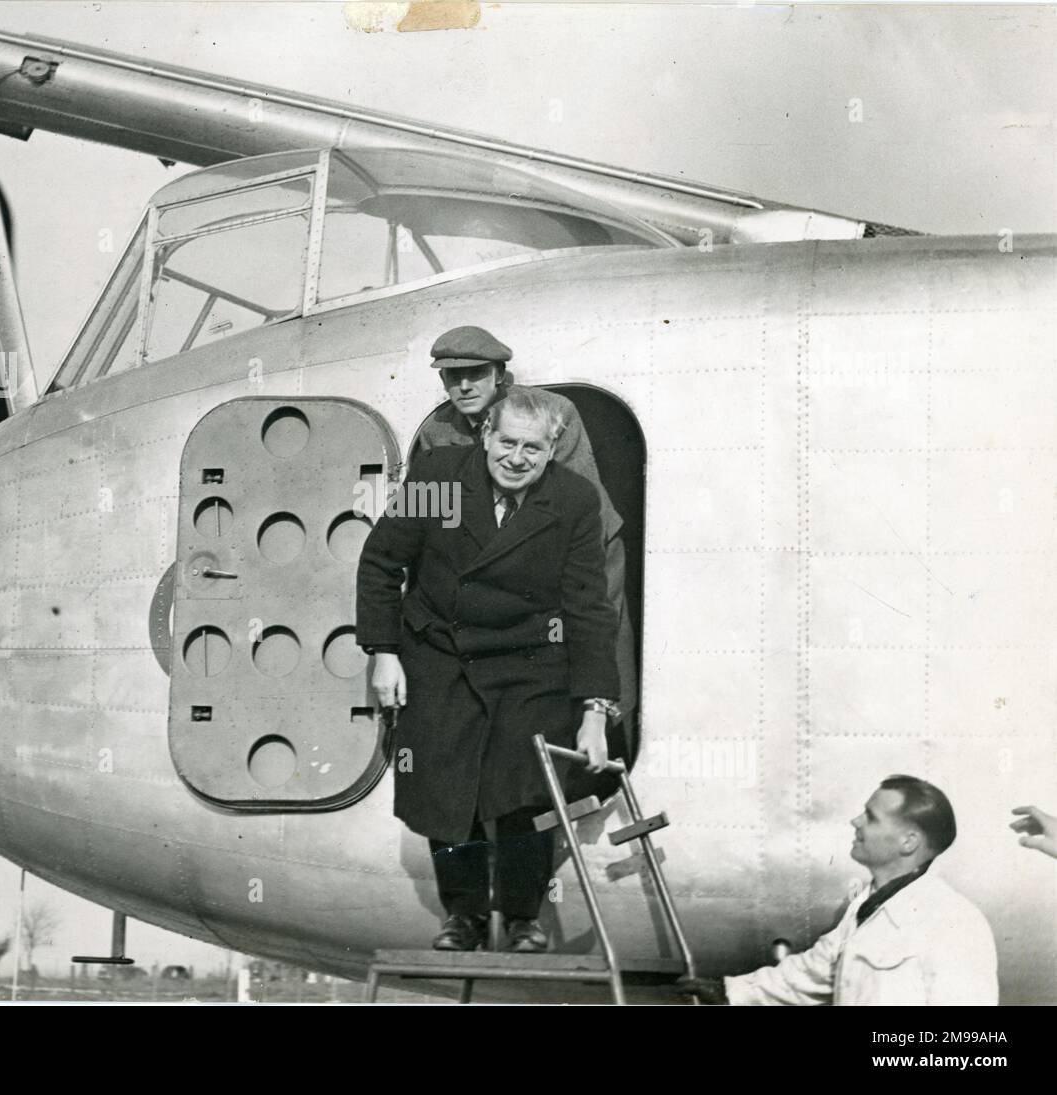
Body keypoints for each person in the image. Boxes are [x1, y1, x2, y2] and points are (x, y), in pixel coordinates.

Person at [356, 387, 620, 952]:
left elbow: (589, 609)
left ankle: (524, 916)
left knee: (526, 788)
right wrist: (383, 652)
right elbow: (381, 562)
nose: (517, 458)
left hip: (528, 661)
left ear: (553, 449)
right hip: (441, 654)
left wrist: (595, 710)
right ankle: (465, 914)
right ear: (485, 436)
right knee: (446, 786)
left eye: (533, 448)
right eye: (506, 442)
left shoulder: (573, 501)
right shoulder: (437, 479)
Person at [415, 325, 637, 735]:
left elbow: (570, 510)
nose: (463, 385)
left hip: (586, 552)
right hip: (505, 565)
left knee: (597, 669)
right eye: (451, 376)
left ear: (499, 373)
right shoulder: (438, 432)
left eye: (476, 373)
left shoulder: (552, 411)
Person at [678, 775, 998, 1005]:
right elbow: (814, 971)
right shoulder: (868, 905)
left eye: (871, 817)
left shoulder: (953, 922)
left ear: (908, 842)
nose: (855, 821)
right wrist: (731, 992)